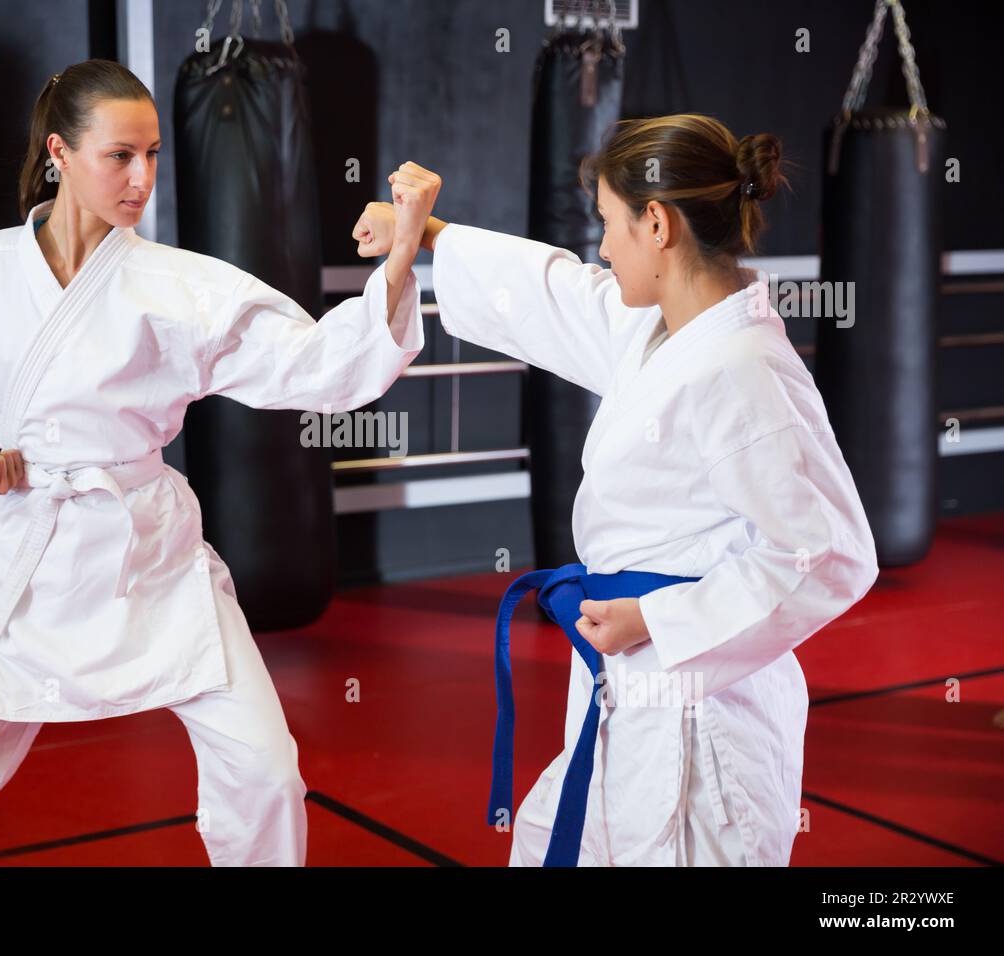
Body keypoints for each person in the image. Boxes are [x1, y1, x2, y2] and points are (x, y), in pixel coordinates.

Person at [0, 58, 434, 867]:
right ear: (59, 153)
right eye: (119, 156)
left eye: (155, 155)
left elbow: (316, 365)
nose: (142, 178)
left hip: (148, 556)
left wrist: (401, 259)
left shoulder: (177, 285)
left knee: (267, 777)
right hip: (28, 554)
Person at [355, 116, 879, 866]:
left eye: (608, 224)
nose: (601, 246)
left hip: (700, 721)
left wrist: (657, 620)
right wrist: (428, 230)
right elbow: (557, 292)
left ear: (657, 224)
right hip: (625, 684)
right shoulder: (659, 330)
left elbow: (830, 555)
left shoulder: (742, 369)